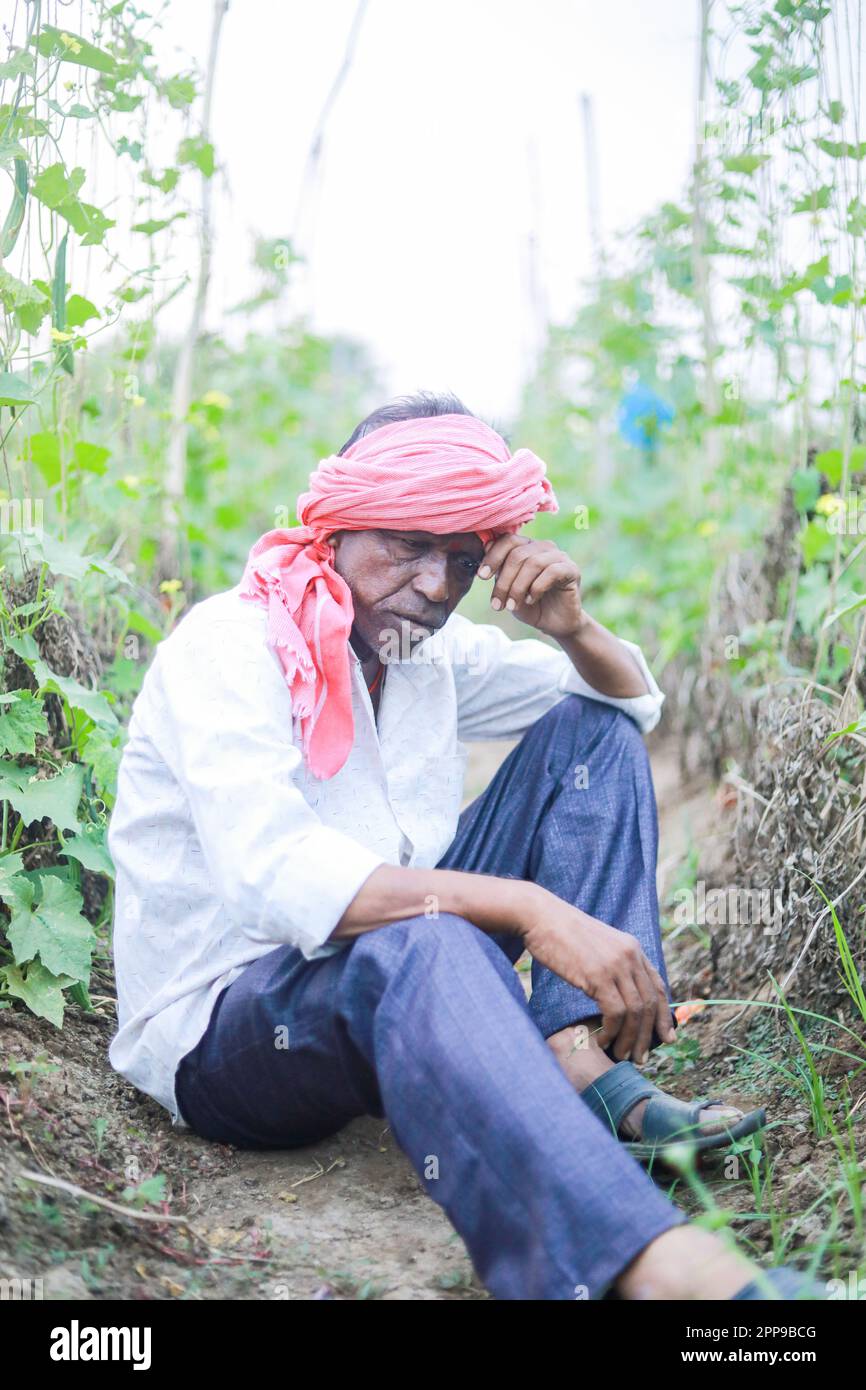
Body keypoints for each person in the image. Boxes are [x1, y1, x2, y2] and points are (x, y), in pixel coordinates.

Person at [106, 391, 809, 1301]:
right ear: (337, 528)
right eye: (405, 545)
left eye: (462, 560)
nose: (435, 587)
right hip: (228, 1036)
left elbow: (626, 703)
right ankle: (651, 1275)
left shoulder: (421, 652)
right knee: (428, 934)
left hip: (392, 966)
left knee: (587, 738)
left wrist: (570, 626)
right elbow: (272, 880)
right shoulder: (228, 646)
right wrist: (527, 905)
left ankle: (571, 1055)